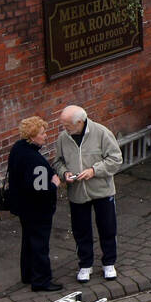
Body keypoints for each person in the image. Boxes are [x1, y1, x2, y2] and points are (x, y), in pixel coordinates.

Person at [54, 105, 123, 283]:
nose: (64, 129)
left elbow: (116, 159)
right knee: (80, 230)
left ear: (80, 122)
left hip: (102, 190)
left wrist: (94, 170)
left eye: (67, 125)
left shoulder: (101, 133)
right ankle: (85, 265)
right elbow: (58, 161)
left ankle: (109, 263)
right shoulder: (63, 138)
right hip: (77, 192)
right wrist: (64, 174)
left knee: (107, 228)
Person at [8, 116, 62, 292]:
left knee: (28, 241)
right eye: (42, 133)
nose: (45, 136)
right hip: (38, 210)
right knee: (40, 244)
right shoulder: (34, 159)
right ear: (32, 137)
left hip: (23, 207)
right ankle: (41, 280)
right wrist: (54, 183)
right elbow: (41, 190)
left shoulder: (18, 149)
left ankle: (28, 274)